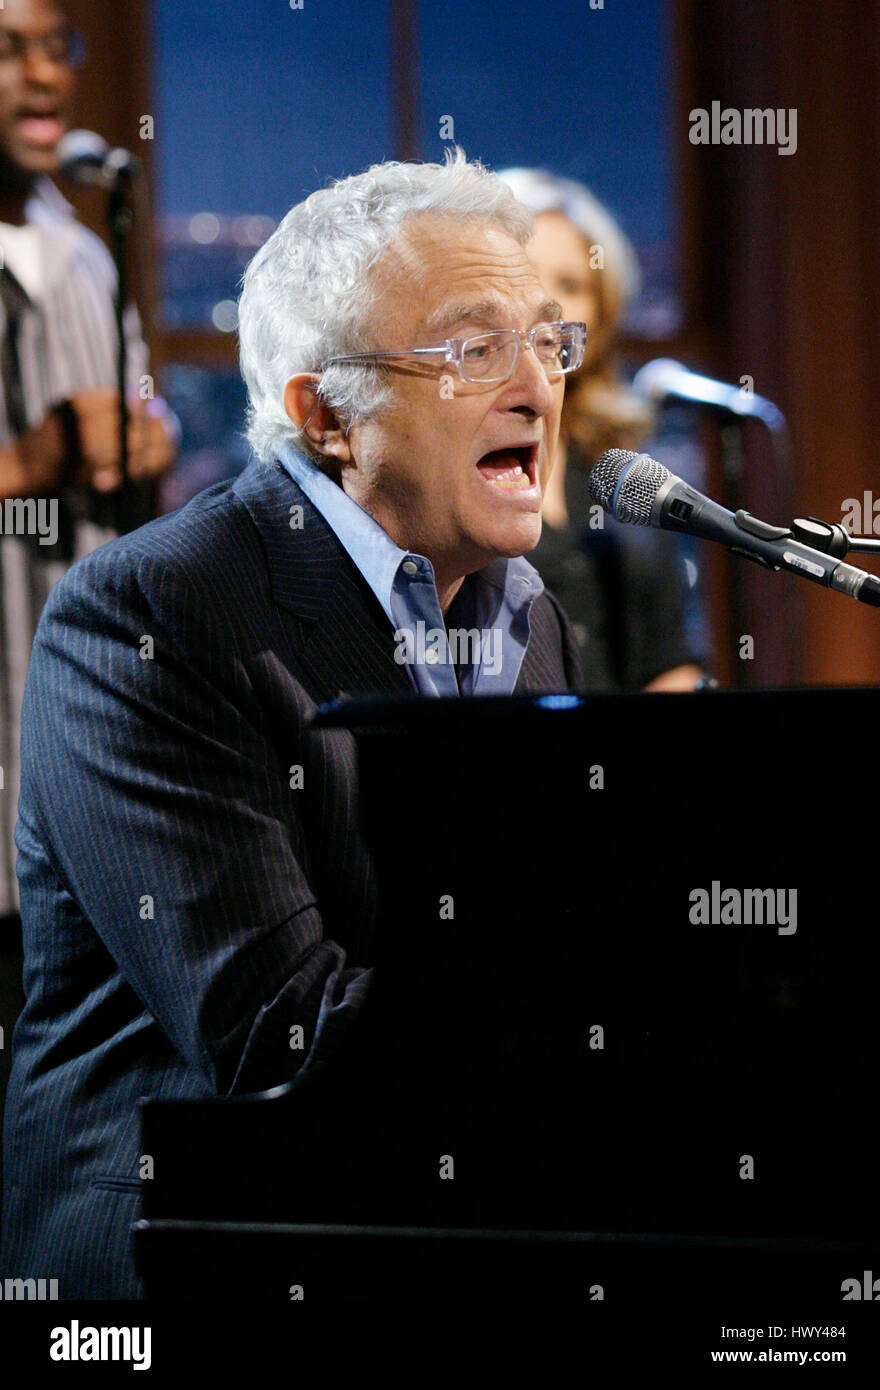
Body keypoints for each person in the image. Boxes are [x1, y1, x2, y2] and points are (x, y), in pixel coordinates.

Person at [1, 150, 584, 1297]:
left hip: (425, 1236)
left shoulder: (531, 619)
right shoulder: (152, 612)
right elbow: (282, 1038)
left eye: (546, 341)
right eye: (475, 350)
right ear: (326, 415)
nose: (535, 387)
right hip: (178, 1269)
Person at [0, 0, 176, 1066]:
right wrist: (28, 463)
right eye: (5, 51)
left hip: (64, 712)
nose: (43, 77)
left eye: (55, 47)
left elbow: (131, 400)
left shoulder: (83, 251)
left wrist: (140, 437)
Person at [497, 167, 705, 692]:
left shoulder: (620, 466)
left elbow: (668, 658)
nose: (548, 305)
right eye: (527, 275)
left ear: (602, 314)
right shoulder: (467, 458)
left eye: (570, 284)